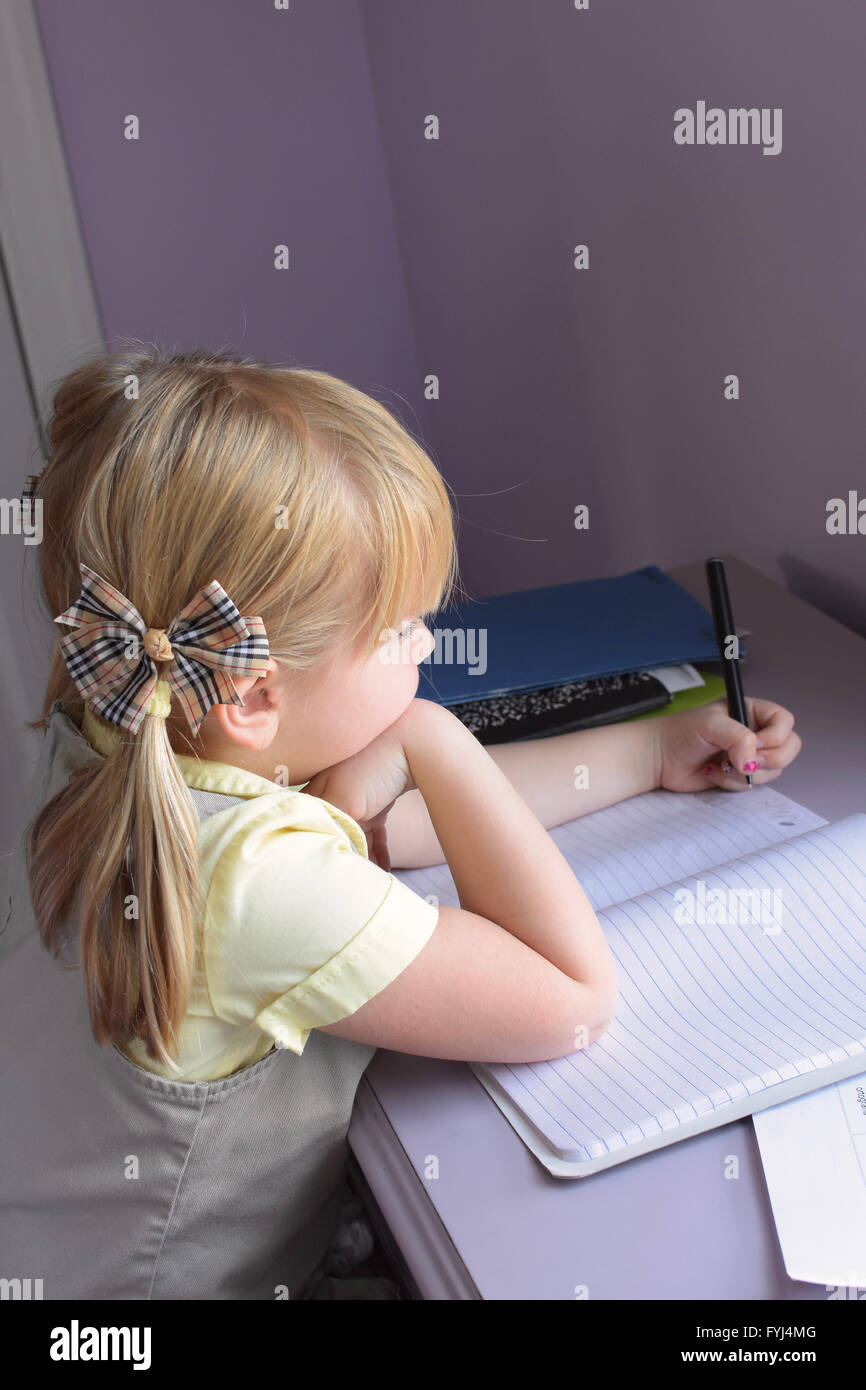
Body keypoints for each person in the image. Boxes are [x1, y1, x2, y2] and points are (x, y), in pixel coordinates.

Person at [0, 345, 802, 1300]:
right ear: (253, 697)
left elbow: (381, 832)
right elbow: (572, 1000)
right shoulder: (259, 884)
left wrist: (644, 755)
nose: (428, 643)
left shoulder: (126, 724)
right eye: (401, 631)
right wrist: (433, 735)